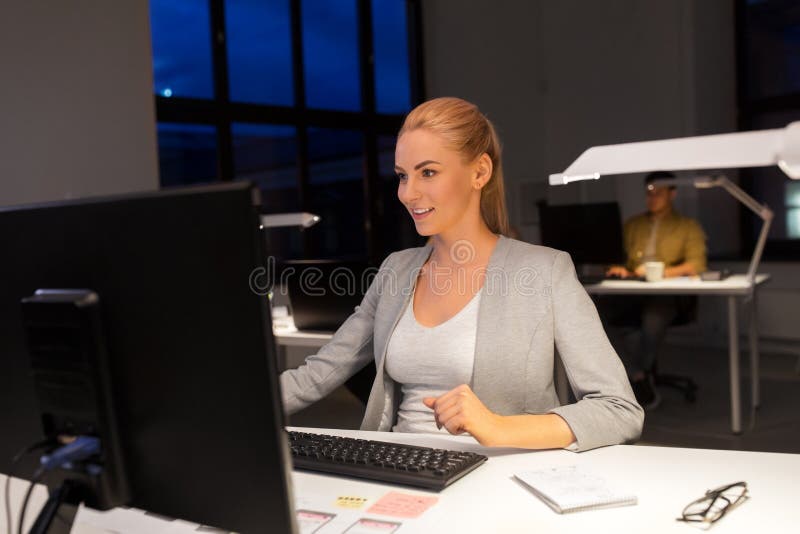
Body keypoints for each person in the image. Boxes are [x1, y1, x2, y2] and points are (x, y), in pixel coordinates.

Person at [280, 97, 643, 452]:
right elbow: (318, 372)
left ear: (480, 172)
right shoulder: (397, 269)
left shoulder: (544, 271)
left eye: (428, 172)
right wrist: (233, 407)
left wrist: (498, 426)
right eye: (403, 176)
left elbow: (618, 409)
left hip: (499, 479)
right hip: (401, 467)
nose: (408, 193)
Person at [602, 172, 707, 409]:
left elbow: (696, 265)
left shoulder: (687, 226)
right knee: (593, 312)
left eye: (658, 192)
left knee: (652, 320)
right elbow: (623, 261)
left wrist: (655, 273)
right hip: (633, 292)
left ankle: (638, 375)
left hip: (667, 296)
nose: (652, 197)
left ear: (672, 193)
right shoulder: (633, 224)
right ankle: (638, 374)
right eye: (649, 192)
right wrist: (622, 269)